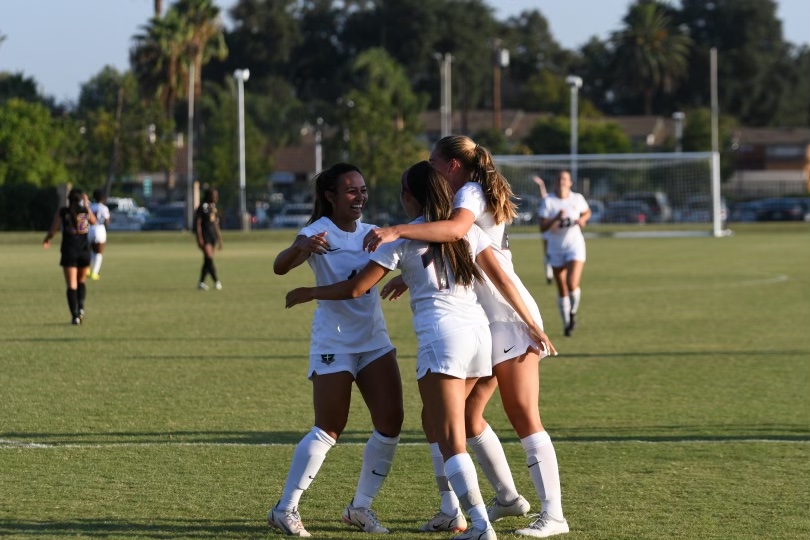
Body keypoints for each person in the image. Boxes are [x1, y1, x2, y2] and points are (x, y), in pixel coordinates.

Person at [286, 161, 557, 540]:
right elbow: (503, 280)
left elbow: (356, 288)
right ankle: (463, 508)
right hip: (480, 339)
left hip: (443, 339)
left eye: (402, 190)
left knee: (449, 437)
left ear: (411, 197)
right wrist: (531, 323)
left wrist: (310, 292)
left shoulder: (399, 237)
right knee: (444, 423)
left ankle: (478, 524)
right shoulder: (467, 232)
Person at [364, 136, 570, 538]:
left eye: (434, 163)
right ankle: (503, 499)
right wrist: (414, 274)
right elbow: (458, 246)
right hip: (483, 318)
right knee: (463, 417)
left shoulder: (470, 190)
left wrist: (396, 231)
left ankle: (554, 514)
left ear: (453, 166)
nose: (431, 171)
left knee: (523, 415)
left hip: (505, 317)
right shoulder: (471, 189)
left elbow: (458, 230)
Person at [269, 163, 404, 537]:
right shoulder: (316, 232)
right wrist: (301, 247)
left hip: (374, 341)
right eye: (351, 191)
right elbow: (281, 267)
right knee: (330, 427)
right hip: (335, 343)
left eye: (362, 190)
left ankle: (360, 508)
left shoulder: (372, 234)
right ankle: (285, 508)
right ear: (330, 196)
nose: (359, 197)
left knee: (391, 423)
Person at [538, 170, 591, 337]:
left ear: (570, 183)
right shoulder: (549, 201)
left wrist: (583, 220)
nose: (562, 181)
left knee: (572, 283)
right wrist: (555, 218)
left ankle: (572, 312)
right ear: (555, 182)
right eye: (559, 178)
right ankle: (567, 324)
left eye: (565, 179)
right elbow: (542, 227)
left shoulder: (577, 199)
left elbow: (587, 212)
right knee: (562, 289)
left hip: (574, 245)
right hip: (556, 248)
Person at [42, 187, 97, 325]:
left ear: (69, 199)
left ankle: (75, 316)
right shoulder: (83, 212)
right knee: (81, 282)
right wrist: (86, 205)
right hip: (84, 251)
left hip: (69, 251)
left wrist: (47, 239)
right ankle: (81, 309)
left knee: (71, 285)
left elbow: (53, 229)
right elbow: (94, 222)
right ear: (80, 199)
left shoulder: (63, 212)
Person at [195, 188, 223, 290]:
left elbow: (216, 225)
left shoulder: (214, 208)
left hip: (212, 237)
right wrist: (199, 237)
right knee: (209, 257)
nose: (216, 197)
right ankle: (216, 281)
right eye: (214, 195)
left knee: (207, 260)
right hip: (205, 235)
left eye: (216, 195)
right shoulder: (202, 207)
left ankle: (201, 283)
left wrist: (219, 238)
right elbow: (198, 224)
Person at [532, 176, 554, 285]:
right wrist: (541, 184)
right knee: (547, 253)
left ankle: (552, 271)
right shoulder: (549, 199)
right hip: (547, 229)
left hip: (556, 230)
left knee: (554, 252)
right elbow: (544, 195)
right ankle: (549, 273)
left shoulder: (557, 200)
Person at [87, 188, 111, 280]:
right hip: (100, 229)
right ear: (103, 198)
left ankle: (87, 269)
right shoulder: (104, 208)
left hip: (90, 229)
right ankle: (94, 273)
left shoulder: (91, 207)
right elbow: (107, 220)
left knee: (90, 250)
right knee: (99, 252)